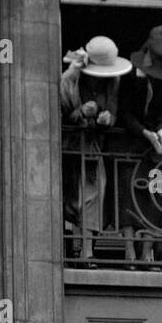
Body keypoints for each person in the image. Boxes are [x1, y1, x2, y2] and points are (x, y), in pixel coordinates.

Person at [118, 27, 162, 268]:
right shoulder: (129, 75)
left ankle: (147, 253)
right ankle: (129, 252)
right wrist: (144, 133)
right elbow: (125, 113)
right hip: (130, 143)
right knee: (128, 196)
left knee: (155, 194)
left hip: (155, 150)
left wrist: (159, 130)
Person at [60, 36, 131, 264]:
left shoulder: (113, 82)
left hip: (93, 146)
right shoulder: (72, 78)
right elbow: (60, 111)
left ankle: (87, 251)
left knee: (92, 194)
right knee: (70, 199)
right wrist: (81, 112)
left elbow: (114, 111)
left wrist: (107, 118)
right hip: (69, 146)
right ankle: (71, 248)